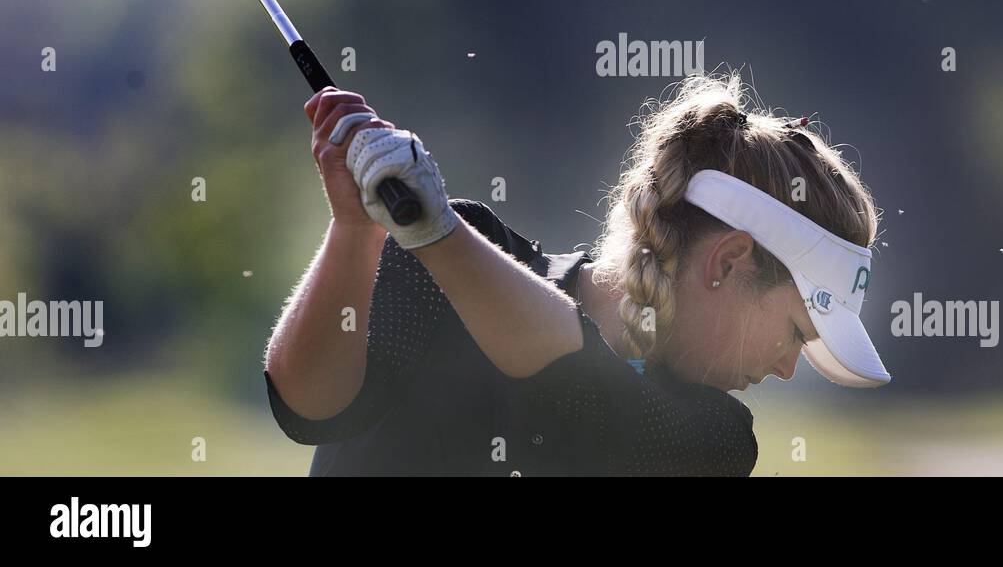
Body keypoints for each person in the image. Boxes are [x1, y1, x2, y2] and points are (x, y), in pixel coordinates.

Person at [263, 71, 891, 476]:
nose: (787, 368)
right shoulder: (452, 254)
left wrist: (438, 238)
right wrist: (354, 230)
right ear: (728, 262)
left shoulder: (714, 441)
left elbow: (581, 379)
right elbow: (310, 408)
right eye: (795, 331)